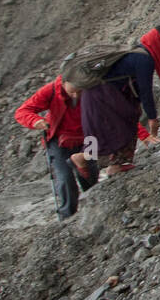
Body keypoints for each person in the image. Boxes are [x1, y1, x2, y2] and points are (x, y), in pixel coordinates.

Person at [79, 26, 160, 176]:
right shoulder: (145, 59)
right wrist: (152, 118)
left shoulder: (137, 52)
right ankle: (89, 160)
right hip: (102, 97)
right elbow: (145, 91)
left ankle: (100, 162)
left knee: (102, 131)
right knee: (125, 124)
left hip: (96, 95)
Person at [14, 74, 98, 218]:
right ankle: (67, 216)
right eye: (72, 91)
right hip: (59, 140)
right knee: (65, 178)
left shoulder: (94, 89)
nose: (76, 95)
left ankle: (94, 207)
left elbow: (110, 111)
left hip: (90, 137)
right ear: (63, 83)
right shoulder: (51, 90)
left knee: (90, 176)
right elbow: (22, 112)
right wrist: (35, 121)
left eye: (79, 91)